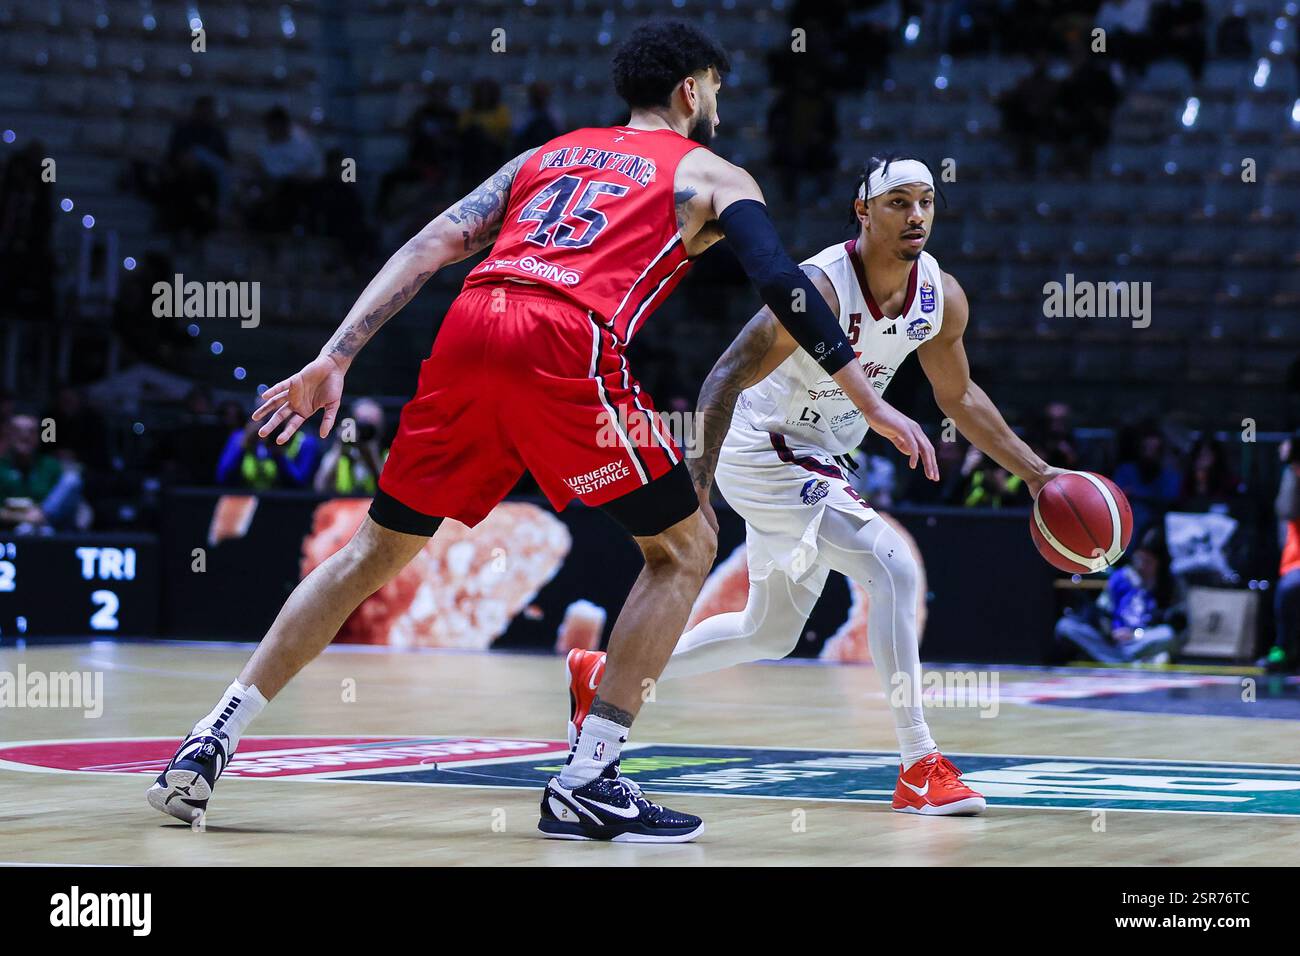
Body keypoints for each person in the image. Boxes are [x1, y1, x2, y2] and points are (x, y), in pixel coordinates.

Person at [147, 20, 937, 843]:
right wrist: (870, 399)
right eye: (716, 91)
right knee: (685, 548)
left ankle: (210, 742)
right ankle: (589, 777)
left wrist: (334, 356)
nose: (717, 106)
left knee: (372, 554)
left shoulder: (548, 155)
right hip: (564, 339)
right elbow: (783, 281)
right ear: (690, 91)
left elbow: (432, 244)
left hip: (469, 325)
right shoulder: (712, 172)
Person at [565, 155, 1066, 816]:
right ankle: (919, 762)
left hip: (819, 454)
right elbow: (723, 376)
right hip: (763, 445)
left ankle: (602, 677)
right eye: (898, 202)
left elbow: (960, 394)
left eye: (926, 201)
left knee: (767, 634)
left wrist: (1039, 474)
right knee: (893, 569)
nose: (916, 215)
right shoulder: (818, 288)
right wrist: (697, 493)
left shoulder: (939, 296)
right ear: (862, 211)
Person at [1055, 529, 1183, 664]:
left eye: (1148, 561)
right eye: (1139, 559)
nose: (1142, 566)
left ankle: (1114, 659)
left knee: (1167, 634)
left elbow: (1173, 621)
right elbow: (1103, 612)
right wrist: (1112, 633)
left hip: (1141, 640)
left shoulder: (1168, 585)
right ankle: (1123, 660)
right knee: (1065, 626)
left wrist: (1134, 634)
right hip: (1114, 640)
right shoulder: (1120, 578)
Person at [1261, 436, 1300, 673]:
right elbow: (1285, 510)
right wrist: (1290, 465)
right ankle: (1282, 647)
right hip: (1296, 563)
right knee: (1288, 588)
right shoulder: (1294, 476)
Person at [313, 398, 388, 496]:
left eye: (370, 427)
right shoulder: (341, 454)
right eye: (361, 424)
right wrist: (339, 446)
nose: (365, 431)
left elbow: (390, 494)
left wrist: (372, 457)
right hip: (341, 510)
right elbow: (319, 487)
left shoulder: (388, 457)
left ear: (381, 428)